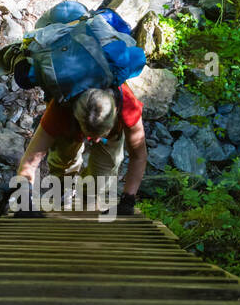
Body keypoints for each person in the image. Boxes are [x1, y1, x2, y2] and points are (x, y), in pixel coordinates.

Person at [10, 82, 147, 215]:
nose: (96, 141)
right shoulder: (60, 111)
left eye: (101, 135)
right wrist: (24, 201)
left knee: (102, 174)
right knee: (62, 159)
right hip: (71, 127)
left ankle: (87, 196)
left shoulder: (128, 107)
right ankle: (63, 188)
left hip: (110, 130)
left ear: (116, 111)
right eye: (90, 135)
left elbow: (138, 156)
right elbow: (30, 160)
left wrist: (128, 200)